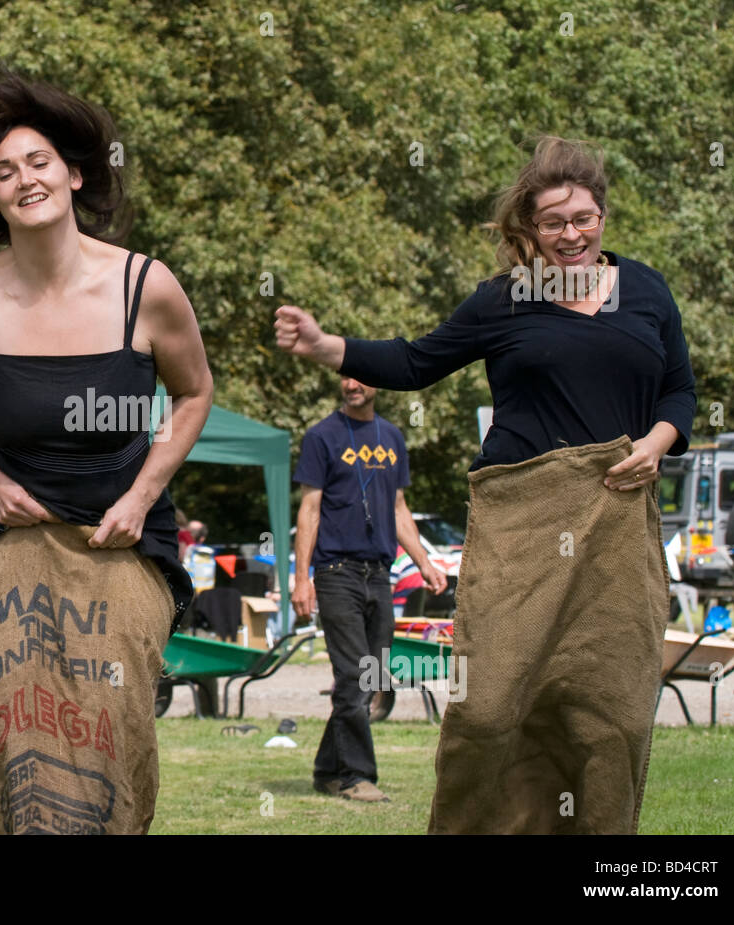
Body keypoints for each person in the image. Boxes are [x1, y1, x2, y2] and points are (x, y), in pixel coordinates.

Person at [276, 136, 696, 834]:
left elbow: (679, 389)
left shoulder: (647, 289)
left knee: (613, 713)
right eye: (554, 222)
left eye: (584, 218)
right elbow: (415, 361)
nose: (571, 234)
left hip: (618, 523)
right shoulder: (504, 302)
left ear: (604, 216)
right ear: (530, 228)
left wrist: (658, 442)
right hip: (523, 523)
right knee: (492, 705)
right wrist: (328, 347)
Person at [0, 72, 212, 834]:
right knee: (6, 701)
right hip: (7, 531)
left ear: (72, 174)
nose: (24, 178)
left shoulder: (145, 285)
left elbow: (193, 395)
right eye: (4, 173)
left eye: (38, 162)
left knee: (106, 701)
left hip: (122, 534)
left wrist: (140, 495)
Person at [292, 376, 446, 803]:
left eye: (360, 375)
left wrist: (425, 562)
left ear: (378, 383)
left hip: (380, 572)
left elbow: (398, 509)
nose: (351, 383)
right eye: (345, 375)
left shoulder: (392, 437)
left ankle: (328, 769)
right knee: (355, 675)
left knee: (371, 676)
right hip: (336, 571)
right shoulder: (321, 436)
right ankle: (356, 775)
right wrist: (302, 579)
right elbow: (310, 509)